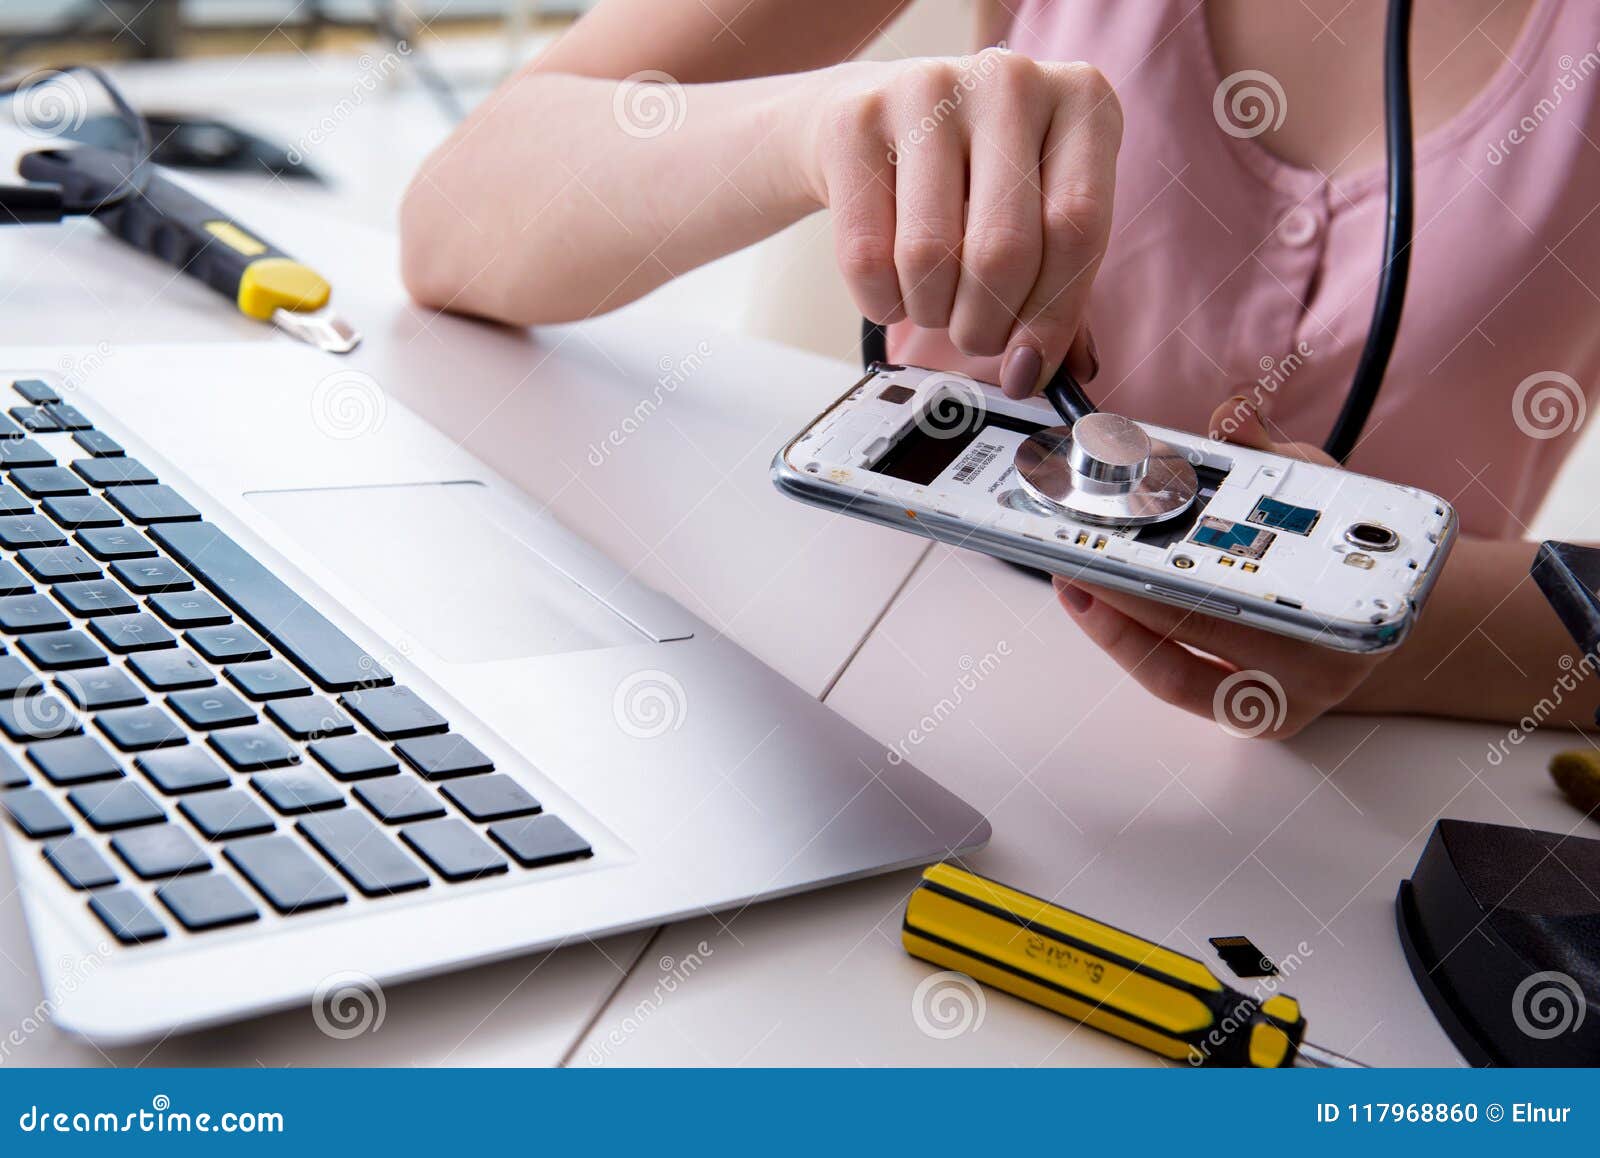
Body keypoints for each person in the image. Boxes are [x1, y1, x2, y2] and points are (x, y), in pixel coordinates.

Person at [401, 0, 1600, 737]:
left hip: (1353, 844)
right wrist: (811, 130)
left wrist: (1404, 630)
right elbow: (455, 222)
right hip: (838, 715)